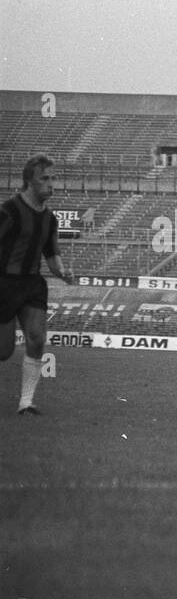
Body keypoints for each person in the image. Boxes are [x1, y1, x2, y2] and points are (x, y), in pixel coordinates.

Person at [1, 156, 75, 415]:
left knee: (36, 338)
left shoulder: (50, 220)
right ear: (29, 182)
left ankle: (26, 402)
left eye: (53, 178)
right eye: (45, 179)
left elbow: (51, 255)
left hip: (32, 284)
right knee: (4, 351)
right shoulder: (9, 211)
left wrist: (63, 272)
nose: (51, 184)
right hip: (4, 284)